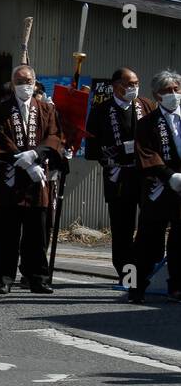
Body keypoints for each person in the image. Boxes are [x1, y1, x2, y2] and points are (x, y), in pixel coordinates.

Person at [0, 65, 64, 295]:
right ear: (12, 84)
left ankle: (37, 277)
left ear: (36, 81)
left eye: (28, 80)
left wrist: (35, 155)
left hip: (38, 179)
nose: (25, 85)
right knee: (7, 233)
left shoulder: (46, 109)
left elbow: (53, 136)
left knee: (37, 233)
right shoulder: (1, 110)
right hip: (10, 177)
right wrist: (24, 161)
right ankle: (4, 277)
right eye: (20, 81)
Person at [85, 68, 154, 284]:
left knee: (150, 224)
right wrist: (122, 150)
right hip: (119, 177)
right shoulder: (101, 110)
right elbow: (92, 149)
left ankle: (148, 271)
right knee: (122, 229)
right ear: (116, 86)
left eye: (136, 83)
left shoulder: (147, 106)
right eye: (129, 83)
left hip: (146, 176)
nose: (134, 87)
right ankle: (127, 276)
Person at [129, 70, 181, 303]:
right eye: (166, 91)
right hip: (158, 187)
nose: (173, 95)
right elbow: (145, 154)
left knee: (180, 240)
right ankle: (134, 286)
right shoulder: (147, 124)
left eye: (176, 90)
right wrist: (169, 175)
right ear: (156, 95)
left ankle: (177, 286)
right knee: (147, 242)